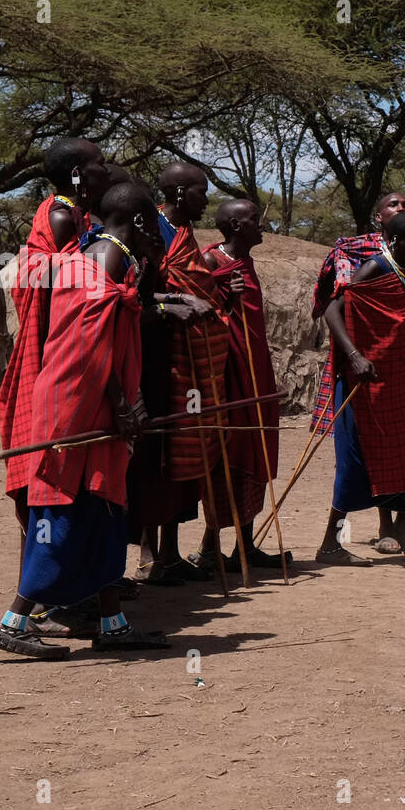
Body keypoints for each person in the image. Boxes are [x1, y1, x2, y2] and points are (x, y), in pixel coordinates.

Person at [0, 184, 171, 658]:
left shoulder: (99, 254)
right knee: (64, 509)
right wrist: (124, 405)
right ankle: (14, 619)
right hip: (78, 403)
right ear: (135, 221)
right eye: (151, 221)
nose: (157, 230)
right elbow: (93, 346)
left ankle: (112, 623)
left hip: (87, 400)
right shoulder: (109, 257)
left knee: (103, 505)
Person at [0, 138, 111, 628]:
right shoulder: (63, 218)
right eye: (97, 163)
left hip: (62, 358)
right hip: (51, 361)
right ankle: (39, 597)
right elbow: (70, 297)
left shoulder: (81, 220)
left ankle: (67, 592)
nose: (105, 169)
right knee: (48, 477)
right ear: (78, 175)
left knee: (68, 480)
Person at [311, 191, 405, 555]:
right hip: (363, 379)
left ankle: (402, 526)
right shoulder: (374, 269)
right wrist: (354, 356)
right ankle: (330, 544)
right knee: (352, 463)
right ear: (395, 241)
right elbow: (334, 310)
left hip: (396, 378)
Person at [127, 162, 227, 583]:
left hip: (186, 359)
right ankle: (150, 554)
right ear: (181, 192)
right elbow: (140, 294)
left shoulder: (185, 235)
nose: (208, 199)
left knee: (185, 451)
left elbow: (202, 290)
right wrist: (180, 300)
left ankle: (171, 551)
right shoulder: (156, 231)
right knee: (156, 454)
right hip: (156, 357)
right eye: (202, 191)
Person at [195, 198, 288, 570]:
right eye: (254, 220)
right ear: (235, 226)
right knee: (228, 453)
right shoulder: (210, 262)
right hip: (227, 373)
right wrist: (222, 297)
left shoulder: (245, 263)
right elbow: (198, 313)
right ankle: (208, 548)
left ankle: (244, 547)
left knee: (255, 450)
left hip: (254, 372)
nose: (261, 225)